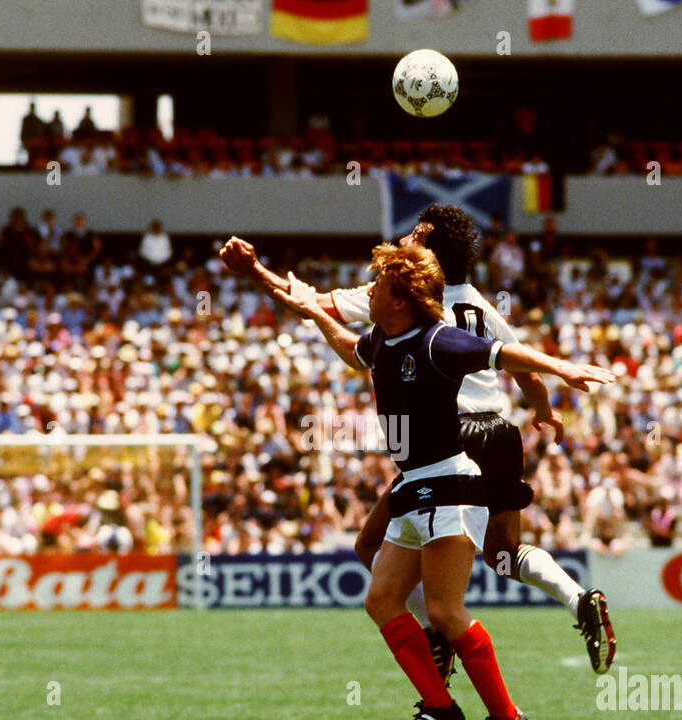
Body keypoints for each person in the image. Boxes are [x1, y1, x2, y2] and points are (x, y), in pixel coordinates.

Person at [220, 204, 619, 676]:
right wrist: (544, 411)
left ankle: (436, 637)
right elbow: (519, 365)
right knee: (504, 555)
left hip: (445, 440)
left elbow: (309, 303)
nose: (406, 238)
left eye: (417, 233)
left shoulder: (399, 292)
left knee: (371, 545)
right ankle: (578, 600)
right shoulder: (478, 304)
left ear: (429, 252)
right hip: (498, 431)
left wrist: (253, 270)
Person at [267, 242, 614, 720]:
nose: (370, 289)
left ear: (401, 299)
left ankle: (506, 717)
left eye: (378, 285)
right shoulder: (385, 338)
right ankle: (440, 706)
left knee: (446, 612)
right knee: (382, 599)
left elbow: (504, 355)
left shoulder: (437, 341)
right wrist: (313, 311)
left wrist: (562, 367)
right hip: (414, 486)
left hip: (452, 484)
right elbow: (348, 349)